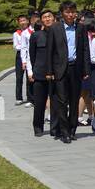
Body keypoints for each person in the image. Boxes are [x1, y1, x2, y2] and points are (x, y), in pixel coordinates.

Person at [48, 1, 90, 144]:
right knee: (61, 101)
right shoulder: (55, 28)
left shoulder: (81, 28)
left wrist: (86, 69)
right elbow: (50, 51)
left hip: (76, 68)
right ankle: (63, 131)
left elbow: (85, 49)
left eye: (73, 11)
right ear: (62, 13)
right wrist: (49, 71)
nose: (71, 14)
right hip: (60, 69)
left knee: (74, 100)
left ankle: (72, 129)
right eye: (67, 12)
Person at [27, 9, 59, 138]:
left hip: (56, 73)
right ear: (41, 20)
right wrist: (33, 71)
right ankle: (38, 127)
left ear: (54, 19)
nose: (47, 19)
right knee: (39, 102)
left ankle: (55, 128)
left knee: (56, 102)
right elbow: (32, 55)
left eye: (50, 17)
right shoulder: (36, 36)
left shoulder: (59, 34)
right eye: (44, 17)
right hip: (40, 73)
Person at [12, 14, 32, 106]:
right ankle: (19, 97)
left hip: (30, 55)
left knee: (29, 77)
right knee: (19, 77)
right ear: (18, 23)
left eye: (24, 20)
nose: (23, 22)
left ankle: (30, 98)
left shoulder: (31, 31)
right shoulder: (16, 34)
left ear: (28, 21)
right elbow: (16, 46)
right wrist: (24, 46)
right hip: (20, 56)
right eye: (21, 21)